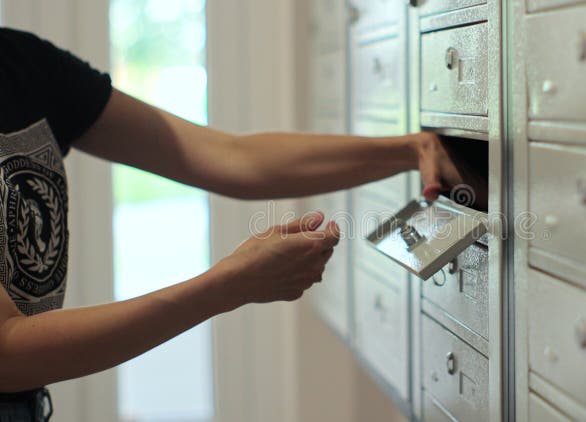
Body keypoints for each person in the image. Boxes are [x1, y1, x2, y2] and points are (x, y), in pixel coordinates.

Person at [0, 27, 462, 421]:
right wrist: (229, 285)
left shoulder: (22, 64)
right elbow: (8, 350)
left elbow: (232, 158)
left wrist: (411, 150)